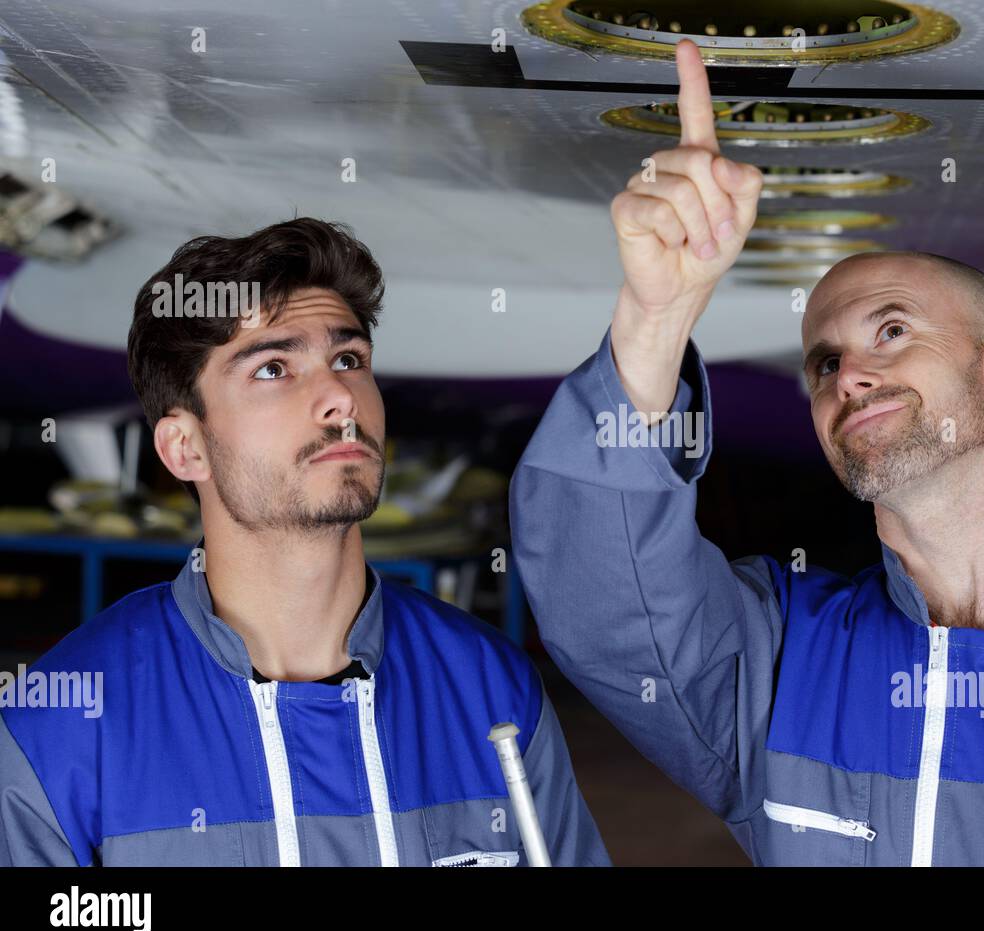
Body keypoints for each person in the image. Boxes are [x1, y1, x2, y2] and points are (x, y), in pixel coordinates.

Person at [508, 39, 984, 866]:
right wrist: (657, 316)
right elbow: (601, 592)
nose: (847, 373)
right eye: (822, 362)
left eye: (892, 330)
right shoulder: (776, 669)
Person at [0, 218, 608, 867]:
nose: (340, 398)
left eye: (348, 360)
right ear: (185, 447)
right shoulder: (59, 725)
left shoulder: (492, 688)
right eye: (274, 368)